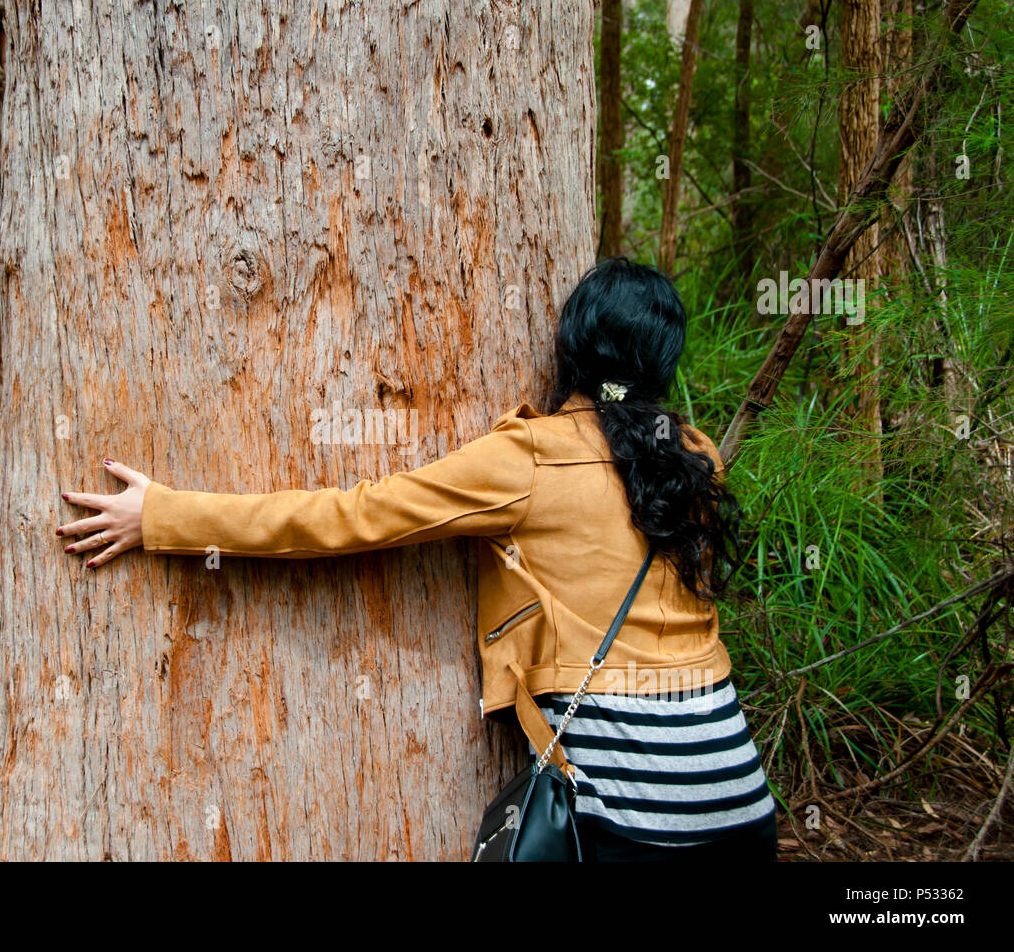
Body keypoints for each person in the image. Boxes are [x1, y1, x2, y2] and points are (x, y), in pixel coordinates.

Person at [55, 256, 778, 861]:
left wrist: (165, 516)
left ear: (573, 349)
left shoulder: (528, 459)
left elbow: (353, 515)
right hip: (741, 802)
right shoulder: (693, 455)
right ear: (662, 360)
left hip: (629, 823)